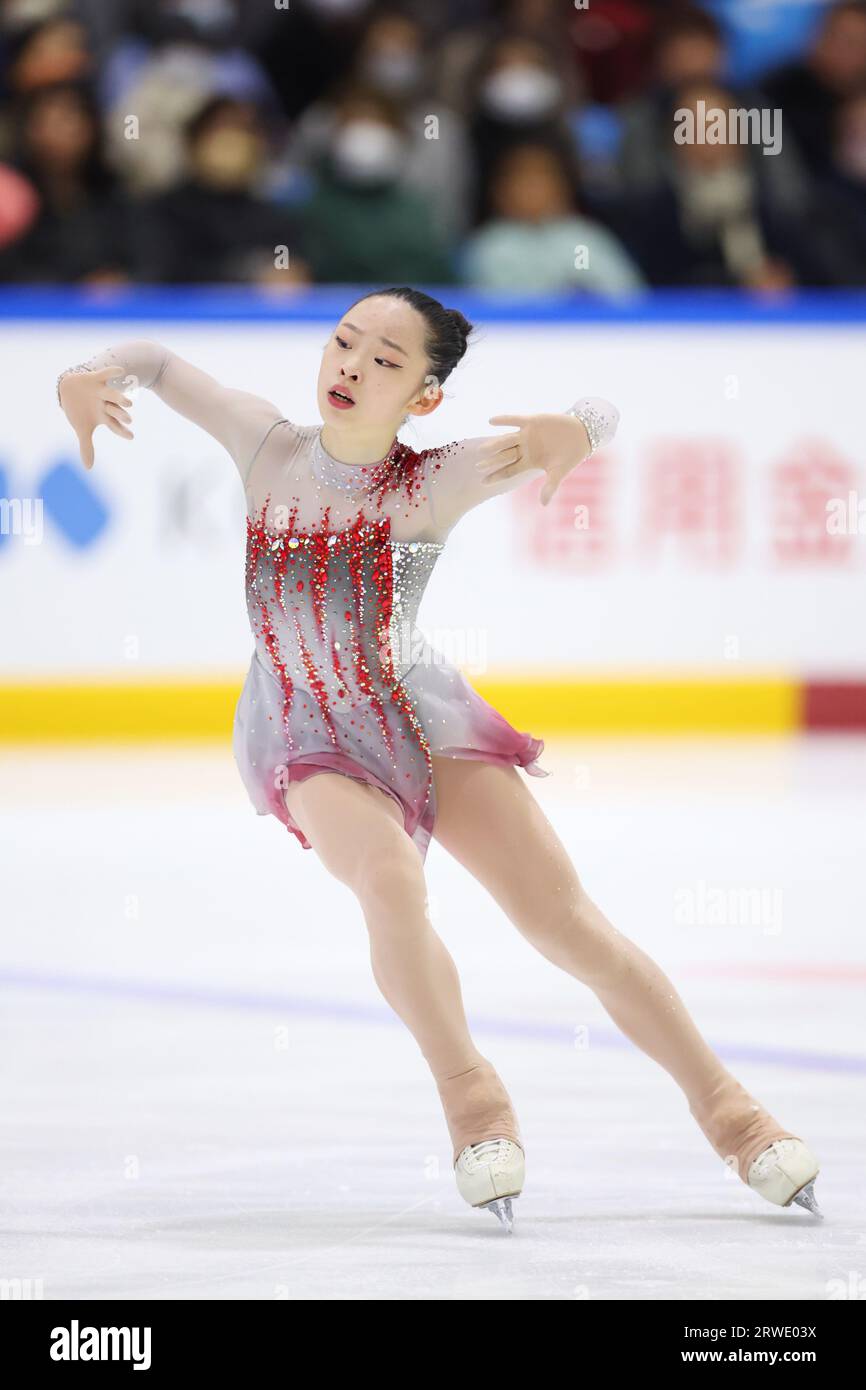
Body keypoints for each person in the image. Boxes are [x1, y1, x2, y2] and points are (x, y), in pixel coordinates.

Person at [56, 286, 821, 1232]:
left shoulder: (435, 480)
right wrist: (84, 374)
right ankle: (474, 1104)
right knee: (387, 880)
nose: (350, 366)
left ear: (424, 397)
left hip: (422, 720)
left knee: (568, 924)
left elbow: (597, 415)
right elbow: (164, 364)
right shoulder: (265, 443)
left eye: (384, 362)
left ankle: (734, 1115)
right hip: (305, 732)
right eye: (344, 343)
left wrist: (578, 429)